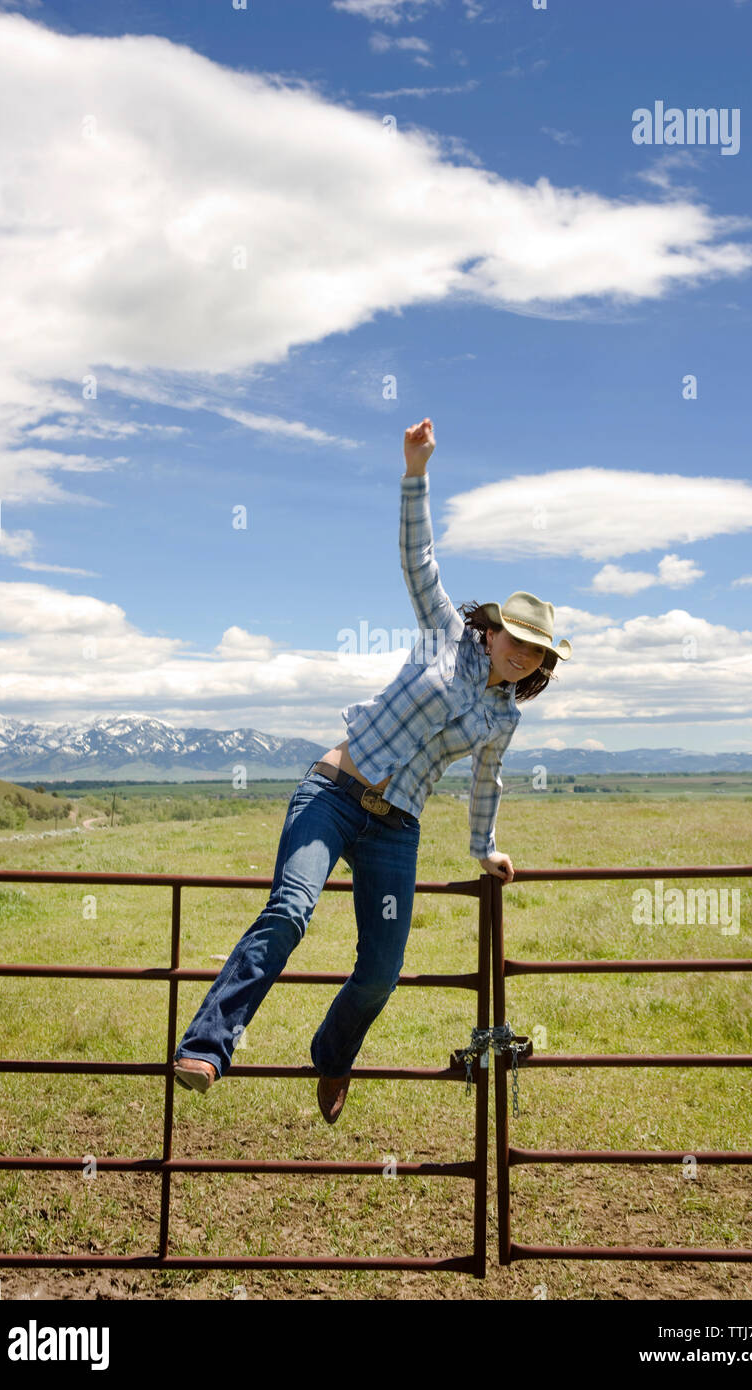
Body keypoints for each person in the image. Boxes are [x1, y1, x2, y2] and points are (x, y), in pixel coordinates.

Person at [173, 417, 572, 1122]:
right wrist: (415, 470)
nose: (523, 653)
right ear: (493, 628)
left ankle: (331, 1056)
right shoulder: (445, 632)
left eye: (538, 652)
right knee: (291, 910)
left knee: (381, 972)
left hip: (398, 830)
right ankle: (208, 1046)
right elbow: (418, 558)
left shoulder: (506, 715)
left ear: (542, 664)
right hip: (332, 795)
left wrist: (485, 850)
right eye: (518, 638)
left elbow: (486, 784)